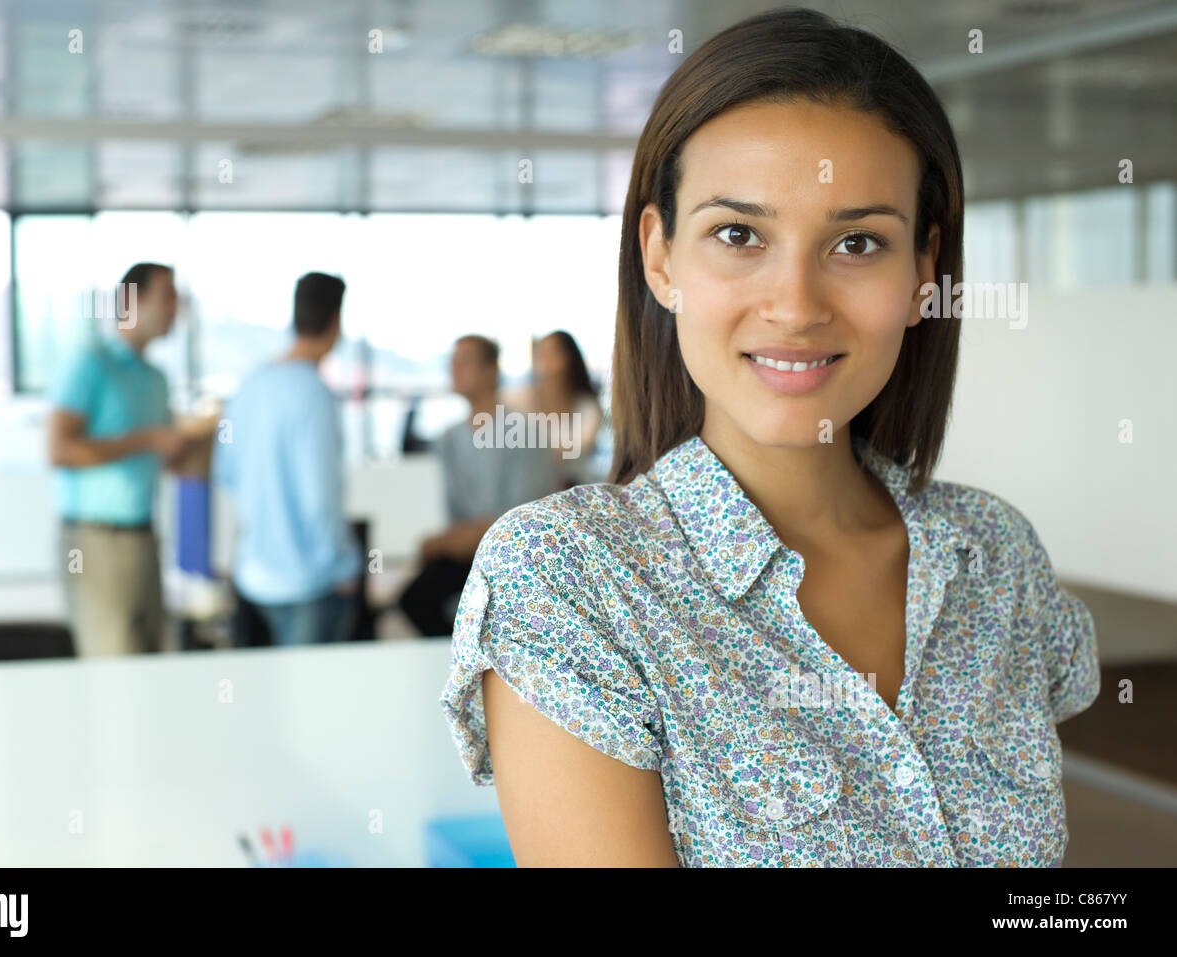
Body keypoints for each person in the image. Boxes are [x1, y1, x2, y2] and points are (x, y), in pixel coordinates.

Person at [439, 8, 1100, 868]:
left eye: (858, 242)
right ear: (661, 255)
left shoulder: (996, 556)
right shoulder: (570, 584)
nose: (795, 304)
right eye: (739, 234)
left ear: (922, 269)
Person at [48, 262, 202, 657]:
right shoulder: (91, 363)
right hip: (92, 541)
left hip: (145, 539)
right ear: (133, 302)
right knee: (113, 668)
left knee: (153, 661)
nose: (175, 307)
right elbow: (59, 450)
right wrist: (146, 438)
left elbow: (168, 459)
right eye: (167, 296)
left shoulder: (156, 378)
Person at [213, 272, 361, 647]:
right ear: (336, 321)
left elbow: (226, 473)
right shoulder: (316, 395)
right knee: (312, 698)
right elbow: (320, 500)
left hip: (253, 577)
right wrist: (342, 566)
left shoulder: (250, 386)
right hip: (309, 584)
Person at [398, 335, 555, 638]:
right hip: (463, 553)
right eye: (452, 362)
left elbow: (525, 521)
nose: (454, 369)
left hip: (510, 559)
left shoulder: (524, 433)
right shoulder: (448, 439)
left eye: (465, 361)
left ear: (491, 371)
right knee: (413, 601)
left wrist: (451, 540)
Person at [502, 331, 604, 489]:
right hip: (528, 489)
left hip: (574, 489)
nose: (544, 359)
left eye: (552, 352)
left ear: (569, 357)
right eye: (540, 353)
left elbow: (575, 451)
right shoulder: (519, 398)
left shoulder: (588, 407)